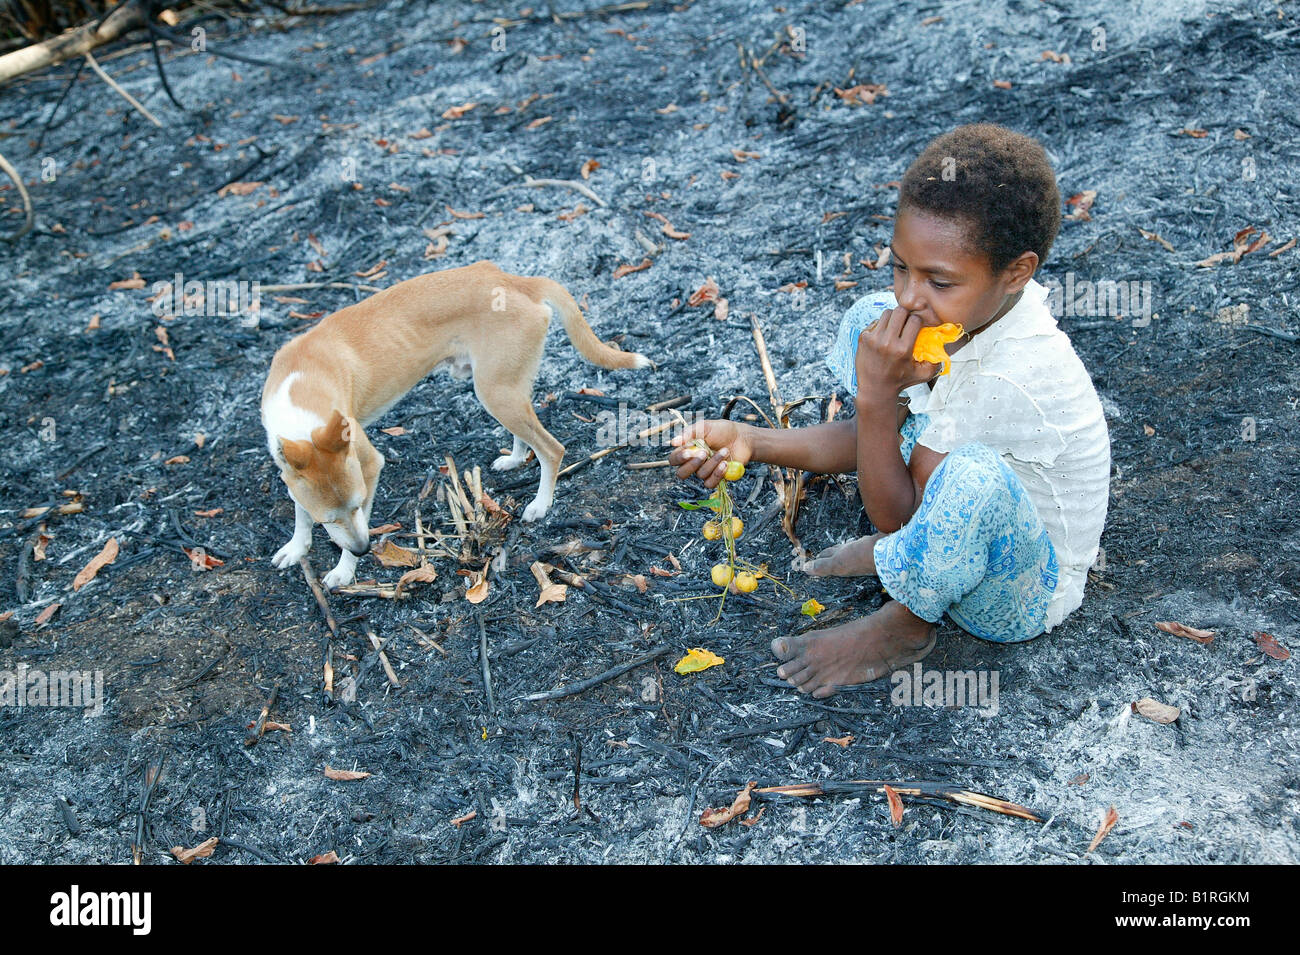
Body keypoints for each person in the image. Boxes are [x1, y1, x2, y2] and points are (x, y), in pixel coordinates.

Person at [668, 123, 1111, 699]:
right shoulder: (962, 320)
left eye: (939, 281)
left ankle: (906, 626)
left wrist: (878, 399)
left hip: (1018, 588)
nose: (910, 296)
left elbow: (900, 514)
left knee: (968, 475)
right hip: (945, 509)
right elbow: (872, 438)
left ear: (1016, 273)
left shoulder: (1008, 375)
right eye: (902, 266)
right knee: (870, 321)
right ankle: (896, 564)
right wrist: (753, 440)